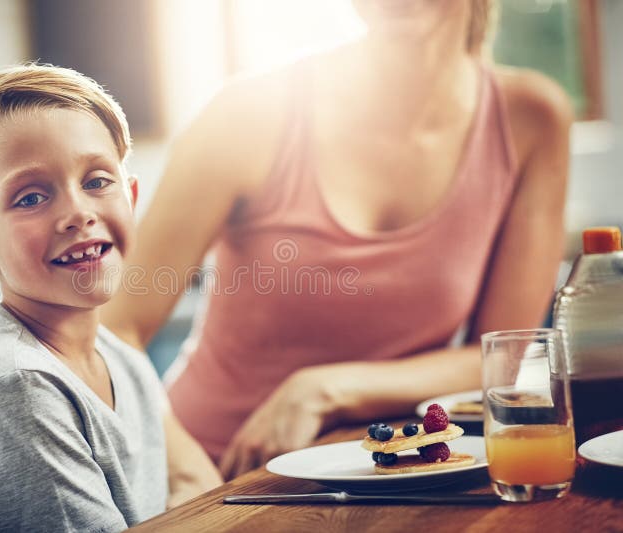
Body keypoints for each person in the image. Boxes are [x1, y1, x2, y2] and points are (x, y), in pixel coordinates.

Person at [102, 0, 572, 480]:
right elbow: (112, 329)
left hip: (382, 474)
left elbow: (502, 357)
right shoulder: (248, 112)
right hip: (214, 472)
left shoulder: (532, 120)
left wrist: (326, 388)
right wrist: (184, 472)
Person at [0, 64, 220, 532]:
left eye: (97, 181)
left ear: (131, 199)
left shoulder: (118, 355)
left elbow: (196, 488)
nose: (78, 213)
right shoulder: (16, 386)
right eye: (31, 198)